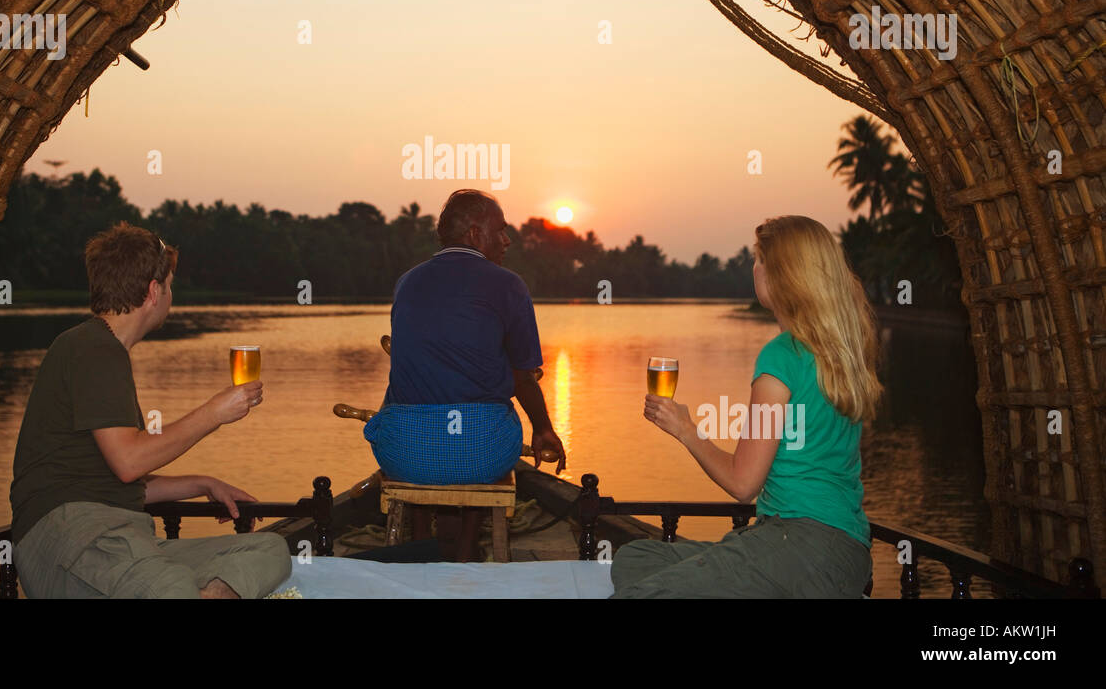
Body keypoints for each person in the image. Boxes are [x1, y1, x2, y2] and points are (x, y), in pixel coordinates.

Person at [10, 222, 290, 598]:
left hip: (117, 540)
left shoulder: (101, 350)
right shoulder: (92, 347)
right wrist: (213, 413)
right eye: (170, 285)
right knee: (172, 586)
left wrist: (202, 483)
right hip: (73, 539)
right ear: (154, 291)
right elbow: (128, 461)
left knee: (268, 550)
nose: (171, 295)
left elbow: (116, 478)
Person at [610, 215, 881, 598]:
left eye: (758, 258)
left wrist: (687, 429)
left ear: (780, 274)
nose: (753, 267)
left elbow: (742, 483)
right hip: (845, 552)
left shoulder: (782, 356)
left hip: (800, 545)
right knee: (637, 557)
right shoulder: (843, 353)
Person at [364, 189, 567, 559]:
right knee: (479, 436)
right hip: (482, 451)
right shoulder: (509, 285)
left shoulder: (406, 282)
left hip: (405, 452)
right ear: (475, 233)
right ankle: (467, 544)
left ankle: (422, 540)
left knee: (418, 428)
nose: (508, 240)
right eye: (501, 230)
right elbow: (524, 378)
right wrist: (543, 429)